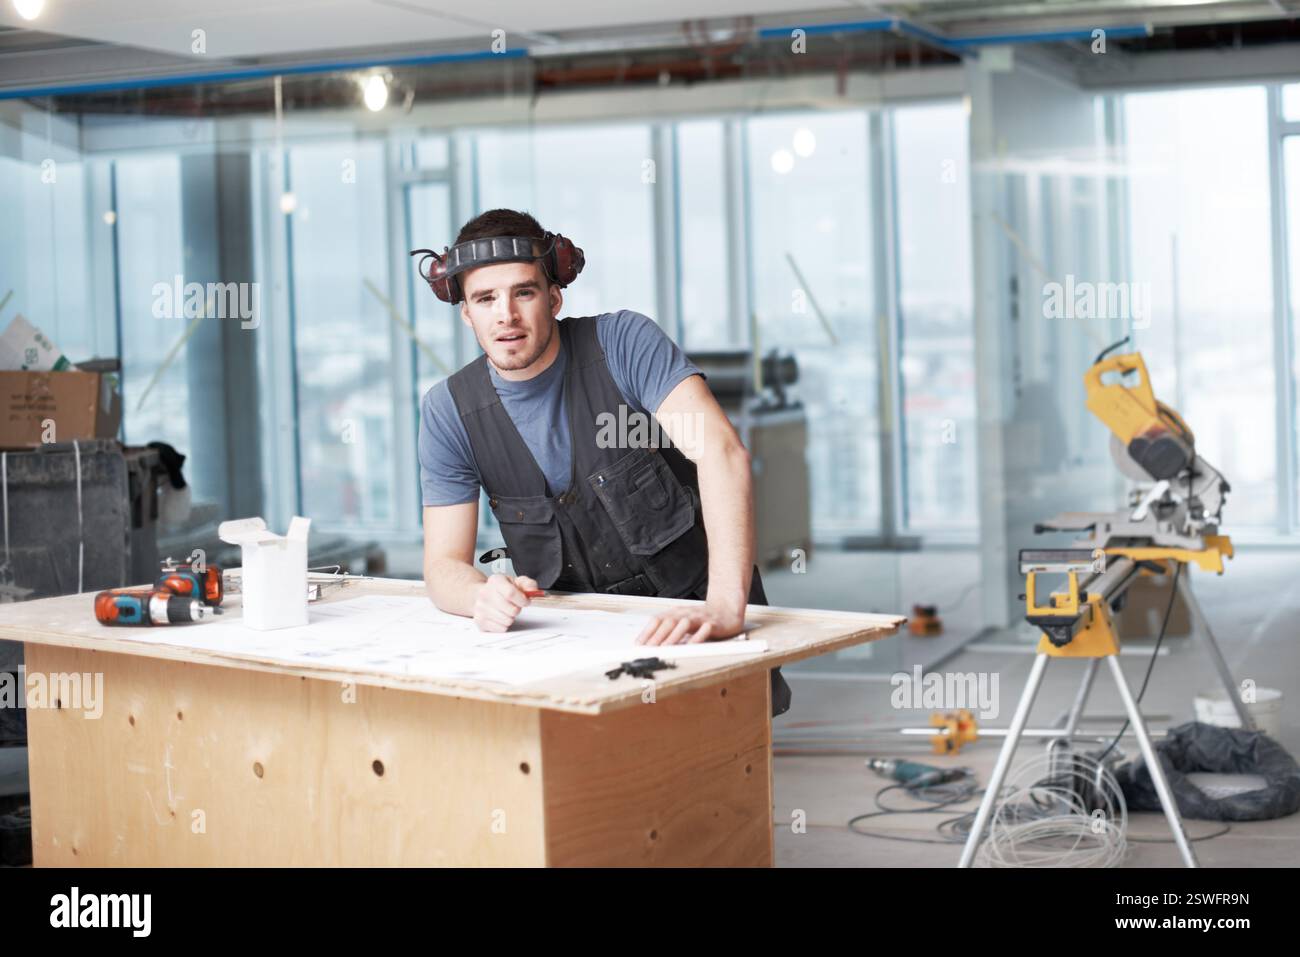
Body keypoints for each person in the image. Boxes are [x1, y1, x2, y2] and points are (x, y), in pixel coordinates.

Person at [414, 208, 791, 716]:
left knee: (719, 781)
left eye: (523, 292)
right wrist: (478, 596)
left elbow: (721, 453)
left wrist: (725, 606)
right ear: (466, 312)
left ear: (554, 296)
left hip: (691, 620)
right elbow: (442, 566)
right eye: (485, 298)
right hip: (576, 649)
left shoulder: (623, 344)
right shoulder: (450, 411)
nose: (506, 315)